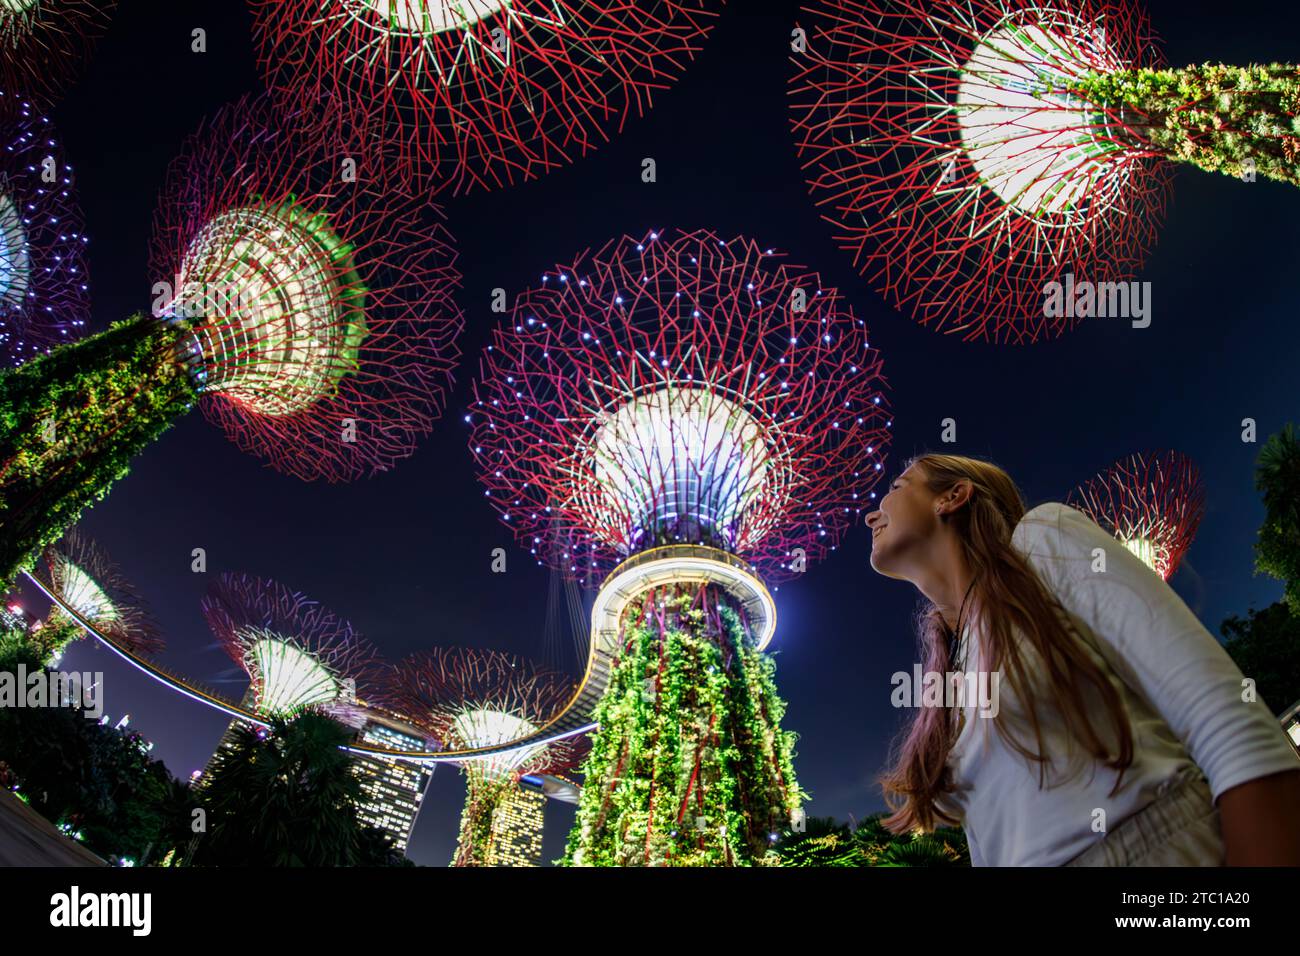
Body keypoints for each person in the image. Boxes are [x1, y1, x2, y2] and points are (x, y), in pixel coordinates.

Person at [865, 453, 1300, 866]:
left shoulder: (1040, 542)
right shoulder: (955, 671)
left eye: (899, 485)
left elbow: (1220, 712)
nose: (871, 515)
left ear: (952, 497)